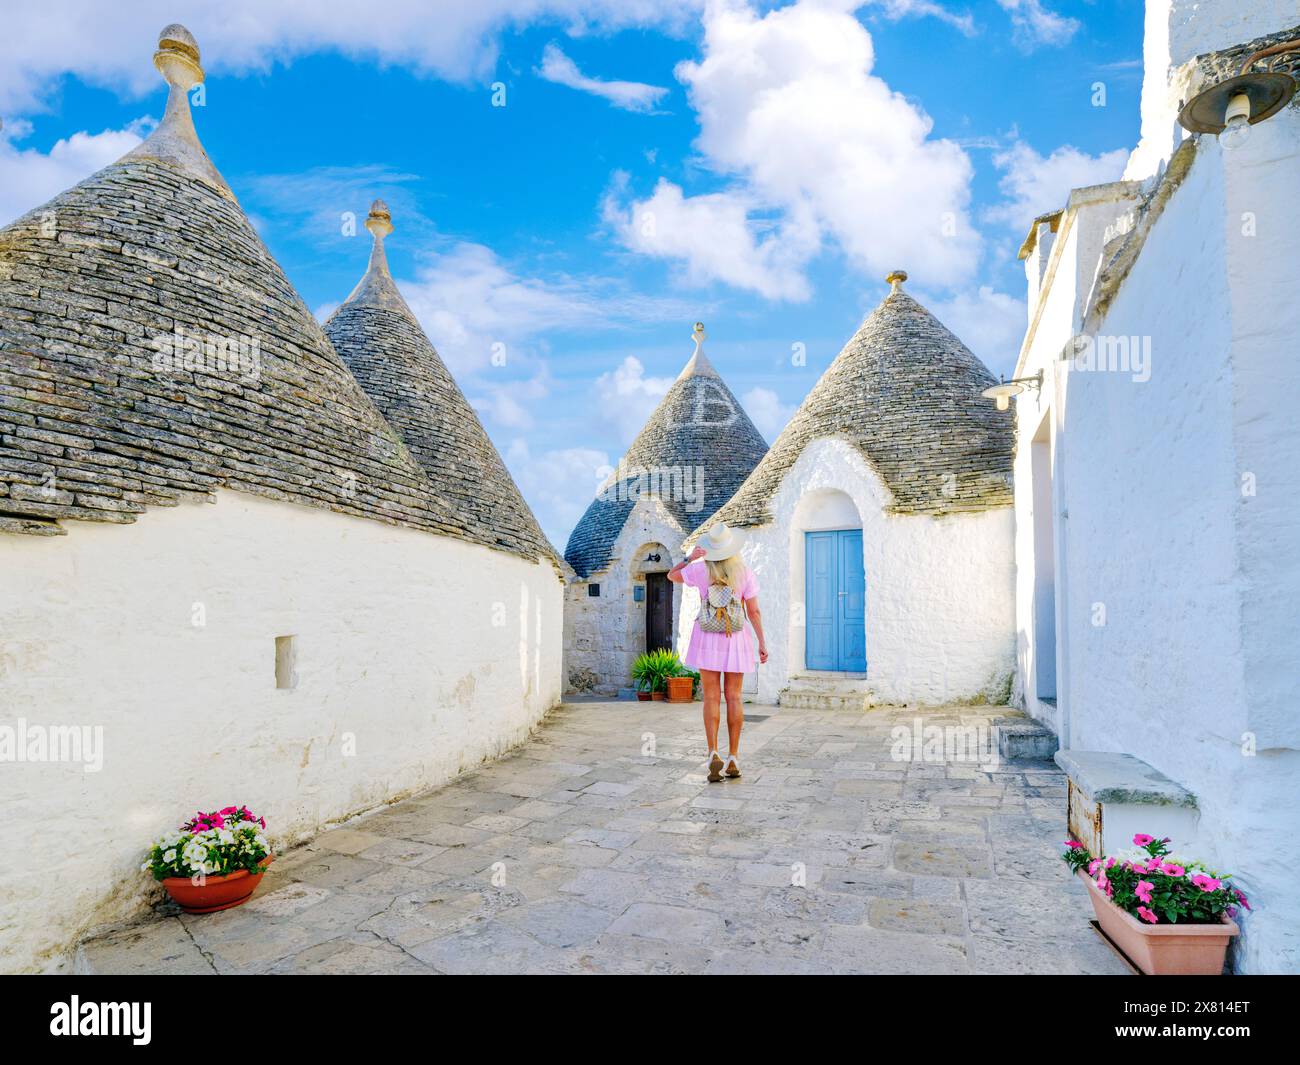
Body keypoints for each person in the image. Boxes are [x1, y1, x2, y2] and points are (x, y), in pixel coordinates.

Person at [667, 521, 768, 782]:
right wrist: (762, 643)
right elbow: (754, 611)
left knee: (711, 697)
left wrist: (689, 558)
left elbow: (671, 576)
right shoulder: (744, 572)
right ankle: (733, 756)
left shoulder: (700, 570)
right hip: (735, 637)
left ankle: (713, 753)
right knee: (733, 697)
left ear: (710, 549)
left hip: (708, 636)